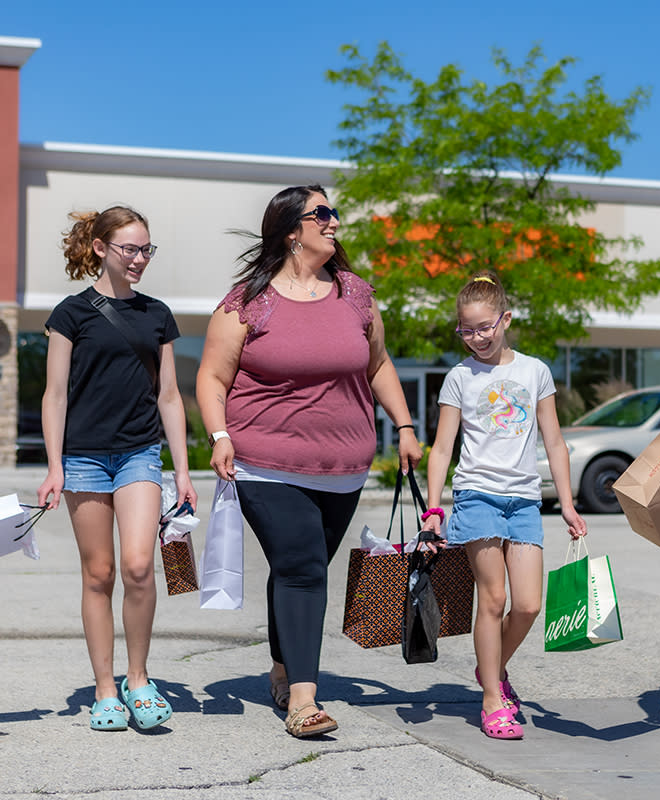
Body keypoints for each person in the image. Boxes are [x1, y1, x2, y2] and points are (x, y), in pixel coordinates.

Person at [195, 184, 422, 739]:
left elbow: (378, 365)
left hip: (343, 468)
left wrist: (407, 425)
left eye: (334, 211)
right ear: (291, 229)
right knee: (304, 568)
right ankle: (303, 698)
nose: (334, 221)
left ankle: (281, 666)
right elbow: (211, 377)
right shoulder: (248, 301)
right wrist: (219, 433)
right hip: (264, 462)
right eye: (321, 213)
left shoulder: (356, 295)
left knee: (300, 568)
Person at [37, 206, 197, 732]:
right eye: (130, 248)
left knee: (138, 567)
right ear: (102, 248)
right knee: (99, 574)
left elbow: (170, 395)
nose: (140, 259)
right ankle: (104, 689)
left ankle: (138, 678)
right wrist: (54, 466)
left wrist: (183, 471)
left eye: (146, 249)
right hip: (83, 459)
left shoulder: (157, 315)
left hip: (138, 455)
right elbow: (54, 395)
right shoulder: (70, 314)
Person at [422, 272, 587, 741]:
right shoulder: (459, 377)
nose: (476, 338)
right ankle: (493, 699)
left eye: (484, 327)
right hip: (476, 495)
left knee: (530, 605)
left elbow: (555, 442)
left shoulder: (534, 371)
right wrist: (434, 509)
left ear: (505, 319)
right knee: (493, 600)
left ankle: (489, 670)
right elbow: (442, 448)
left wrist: (569, 505)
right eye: (466, 330)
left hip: (524, 501)